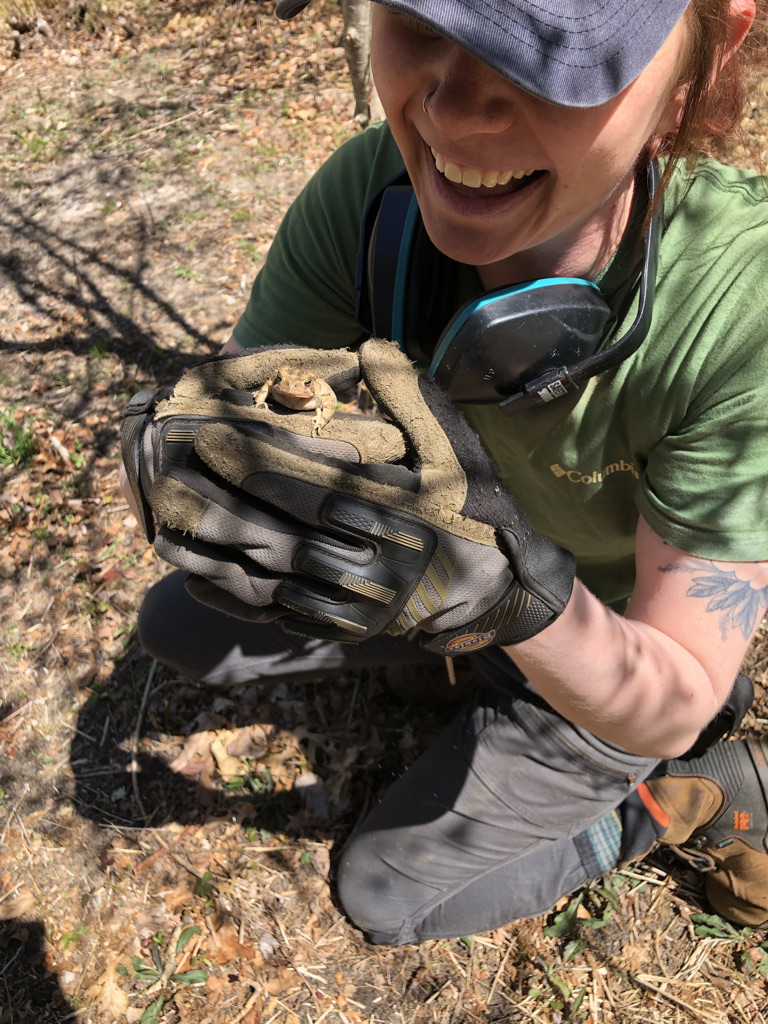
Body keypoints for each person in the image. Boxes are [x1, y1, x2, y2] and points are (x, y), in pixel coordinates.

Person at [126, 0, 768, 944]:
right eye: (426, 20)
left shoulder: (738, 311)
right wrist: (183, 452)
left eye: (562, 64)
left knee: (388, 897)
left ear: (694, 80)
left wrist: (516, 607)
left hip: (617, 644)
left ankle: (688, 799)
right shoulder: (368, 198)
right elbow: (234, 412)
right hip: (448, 571)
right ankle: (455, 659)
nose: (460, 112)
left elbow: (669, 694)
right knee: (187, 621)